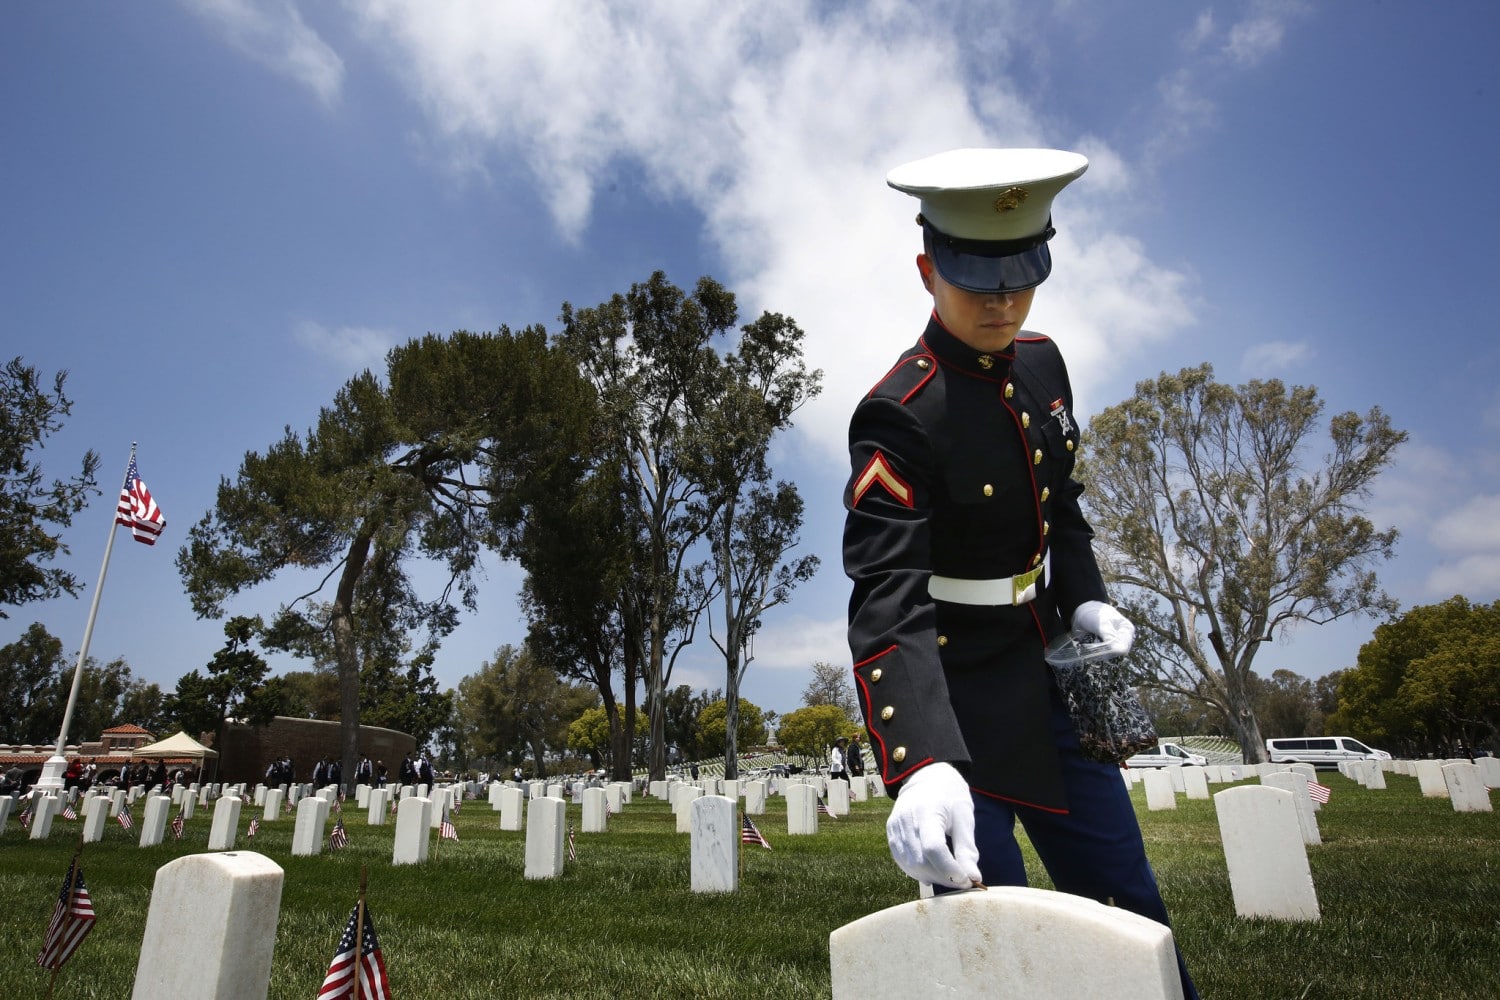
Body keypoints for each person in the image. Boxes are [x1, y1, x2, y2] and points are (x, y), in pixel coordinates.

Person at [843, 147, 1196, 998]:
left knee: (1129, 911)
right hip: (955, 702)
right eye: (976, 280)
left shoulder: (1042, 363)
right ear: (929, 270)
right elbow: (887, 593)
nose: (1003, 301)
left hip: (1051, 683)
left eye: (1022, 275)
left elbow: (1060, 502)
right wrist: (920, 758)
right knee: (990, 943)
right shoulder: (900, 412)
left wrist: (1085, 601)